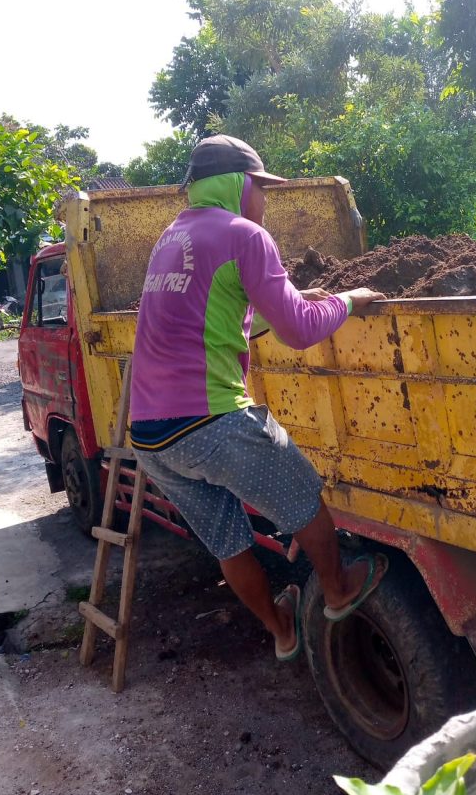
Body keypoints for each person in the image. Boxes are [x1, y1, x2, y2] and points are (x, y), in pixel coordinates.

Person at [130, 134, 387, 661]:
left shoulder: (171, 237)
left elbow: (215, 315)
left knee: (227, 539)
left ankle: (282, 629)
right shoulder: (244, 235)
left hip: (151, 435)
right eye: (261, 189)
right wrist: (349, 301)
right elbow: (297, 332)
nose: (264, 201)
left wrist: (294, 299)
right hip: (210, 420)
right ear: (238, 183)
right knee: (302, 492)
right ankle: (338, 589)